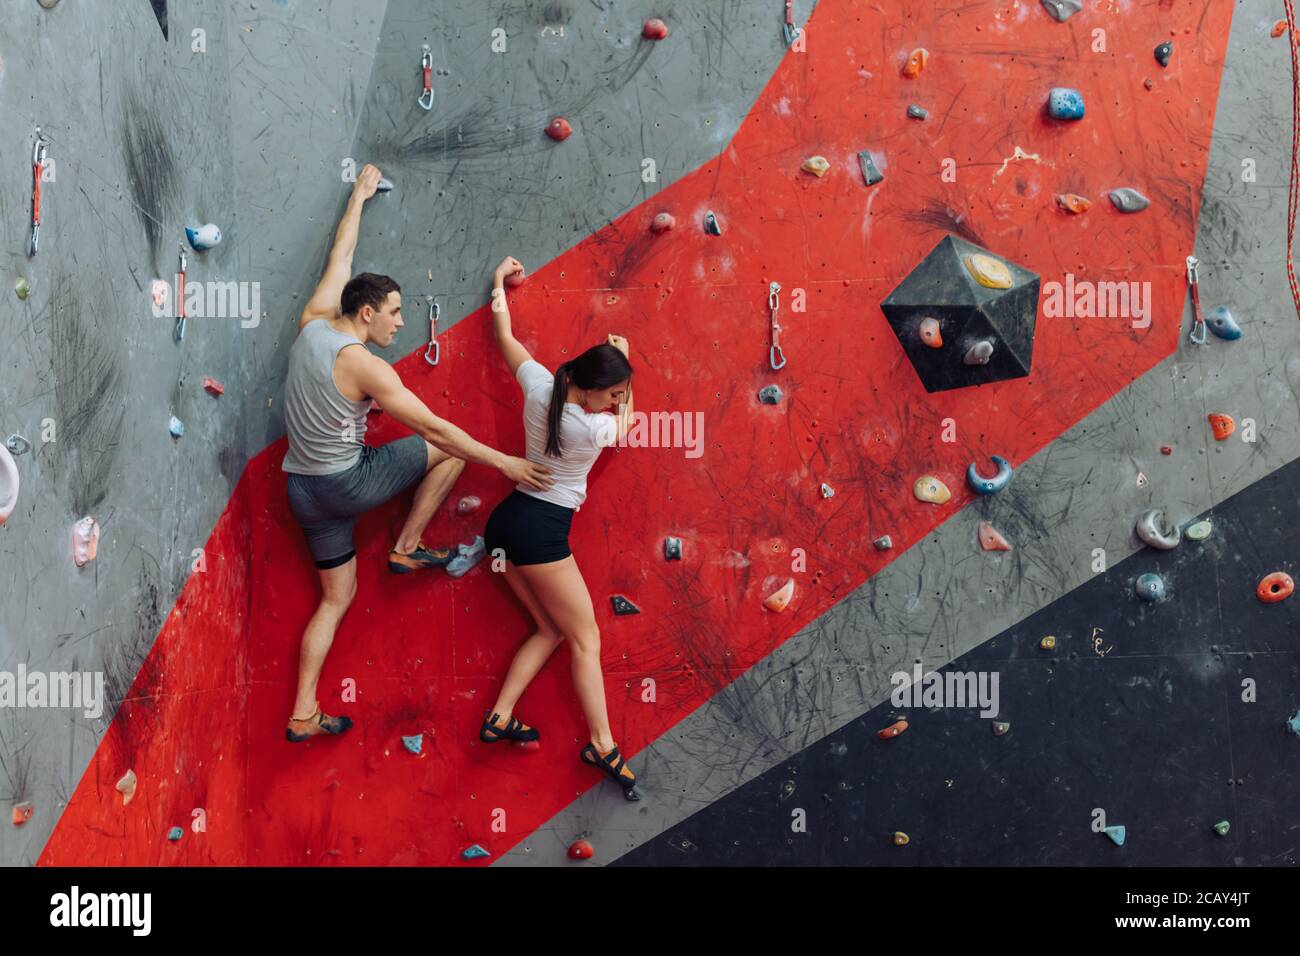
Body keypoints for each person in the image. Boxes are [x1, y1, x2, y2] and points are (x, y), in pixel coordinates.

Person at [281, 167, 553, 742]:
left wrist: (357, 195)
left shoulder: (313, 321)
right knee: (444, 451)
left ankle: (303, 710)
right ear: (366, 314)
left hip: (301, 487)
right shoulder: (364, 364)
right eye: (395, 313)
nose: (401, 323)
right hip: (342, 483)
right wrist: (503, 463)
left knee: (337, 598)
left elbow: (342, 257)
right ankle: (406, 548)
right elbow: (437, 429)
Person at [477, 255, 641, 795]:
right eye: (612, 391)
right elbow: (628, 422)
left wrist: (498, 283)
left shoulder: (541, 387)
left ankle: (499, 716)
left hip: (505, 526)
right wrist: (626, 362)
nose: (615, 400)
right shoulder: (593, 429)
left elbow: (506, 336)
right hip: (539, 532)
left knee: (550, 629)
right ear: (594, 393)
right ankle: (601, 742)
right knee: (585, 638)